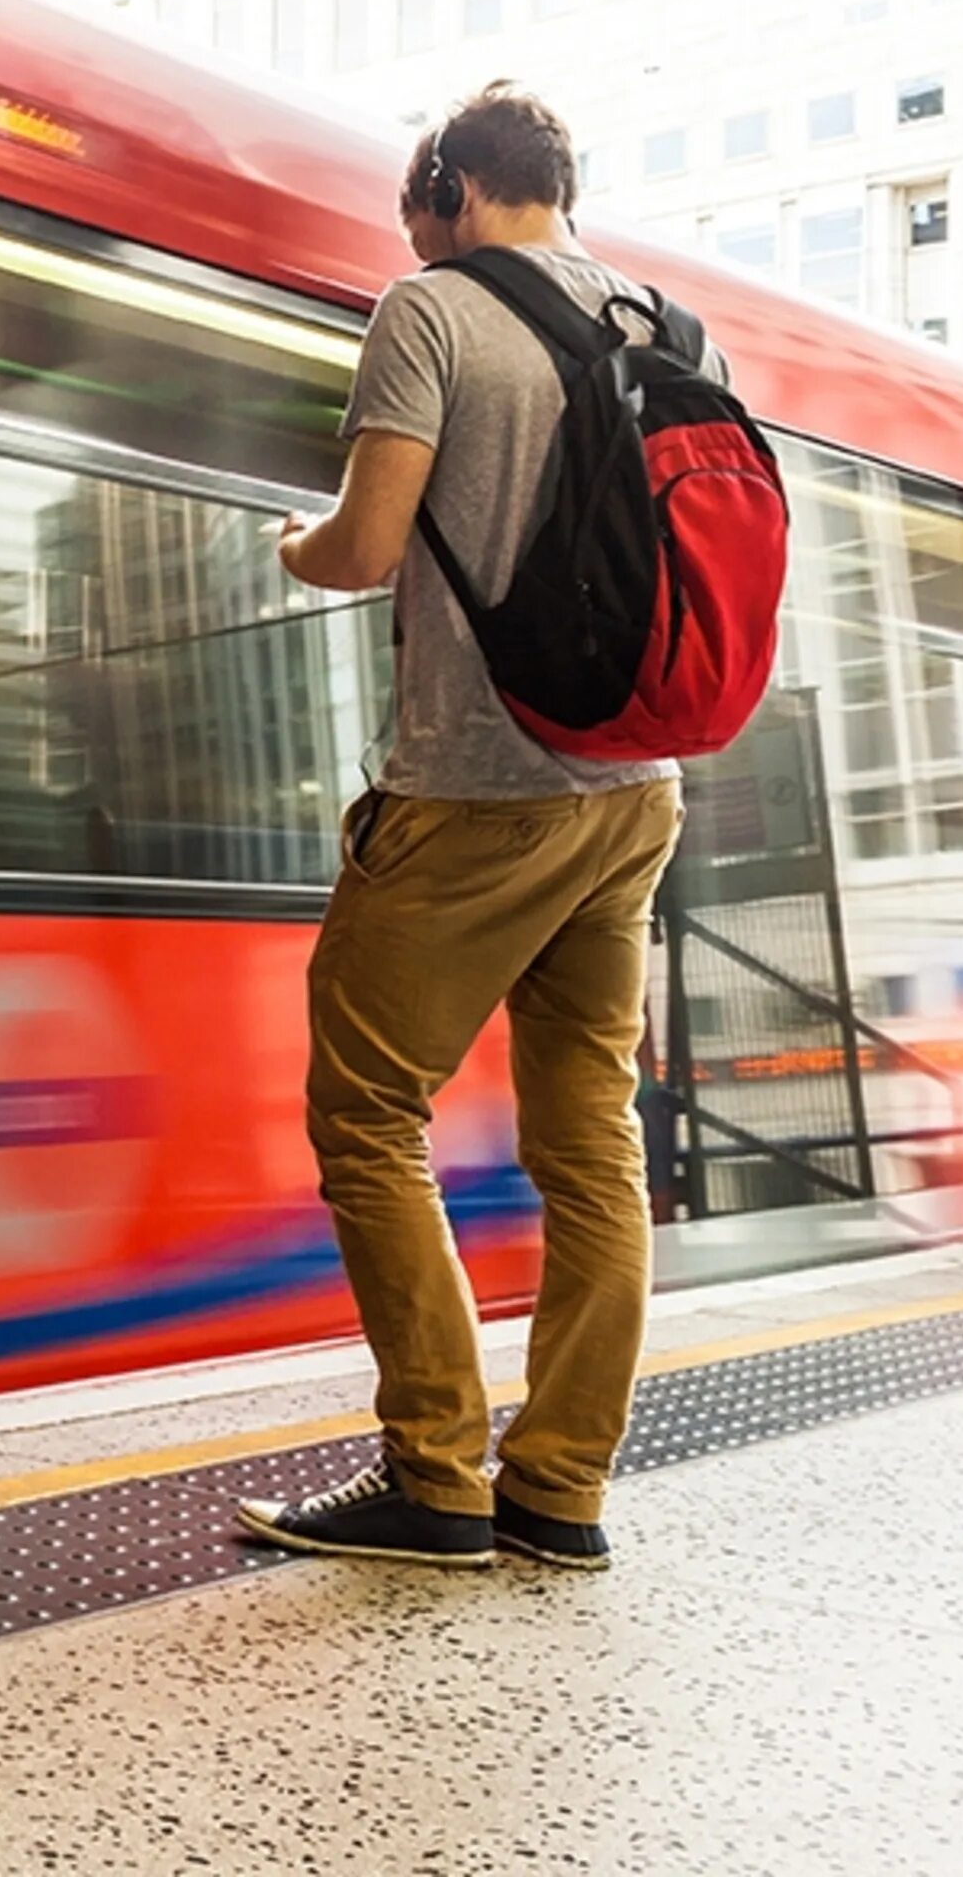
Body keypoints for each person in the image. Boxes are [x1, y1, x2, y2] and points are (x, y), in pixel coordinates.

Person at [234, 84, 692, 1573]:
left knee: (369, 1116)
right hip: (634, 792)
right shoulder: (670, 329)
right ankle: (559, 1488)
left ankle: (434, 1473)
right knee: (593, 1145)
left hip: (477, 790)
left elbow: (365, 546)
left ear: (448, 187)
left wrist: (287, 543)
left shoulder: (429, 311)